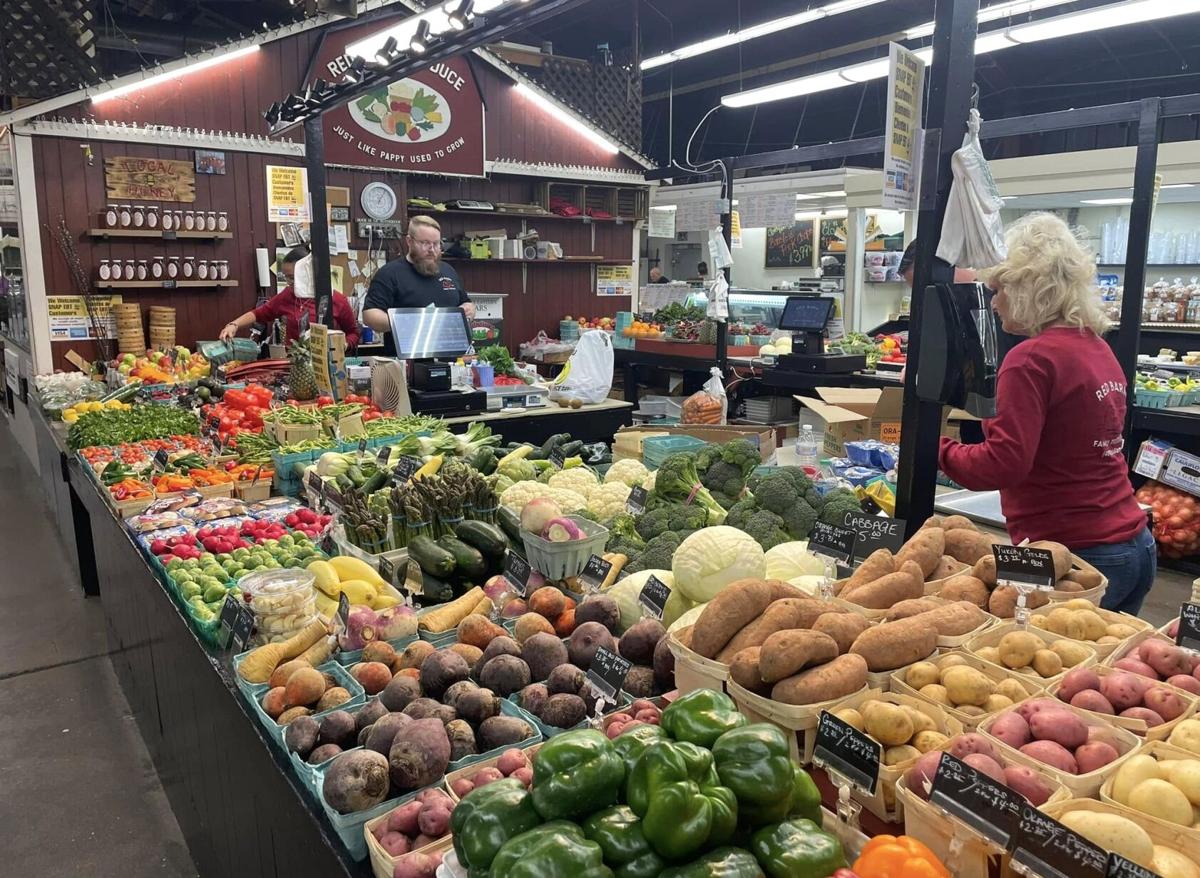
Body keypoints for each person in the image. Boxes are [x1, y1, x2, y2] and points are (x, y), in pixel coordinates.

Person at [938, 213, 1154, 614]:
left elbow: (1002, 465)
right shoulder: (1095, 347)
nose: (994, 301)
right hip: (1135, 547)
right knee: (1101, 673)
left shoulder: (1029, 360)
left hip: (1073, 555)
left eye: (1000, 288)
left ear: (1029, 290)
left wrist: (936, 449)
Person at [362, 215, 475, 357]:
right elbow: (370, 315)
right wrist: (410, 323)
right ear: (409, 241)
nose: (432, 249)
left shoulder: (448, 270)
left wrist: (469, 309)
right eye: (425, 243)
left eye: (436, 243)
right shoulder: (390, 273)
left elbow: (465, 302)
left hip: (452, 360)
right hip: (407, 362)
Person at [220, 246, 360, 347]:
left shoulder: (336, 299)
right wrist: (234, 325)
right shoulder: (288, 295)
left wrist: (344, 345)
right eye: (286, 277)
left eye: (293, 277)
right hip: (294, 365)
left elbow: (353, 333)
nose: (289, 282)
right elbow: (259, 313)